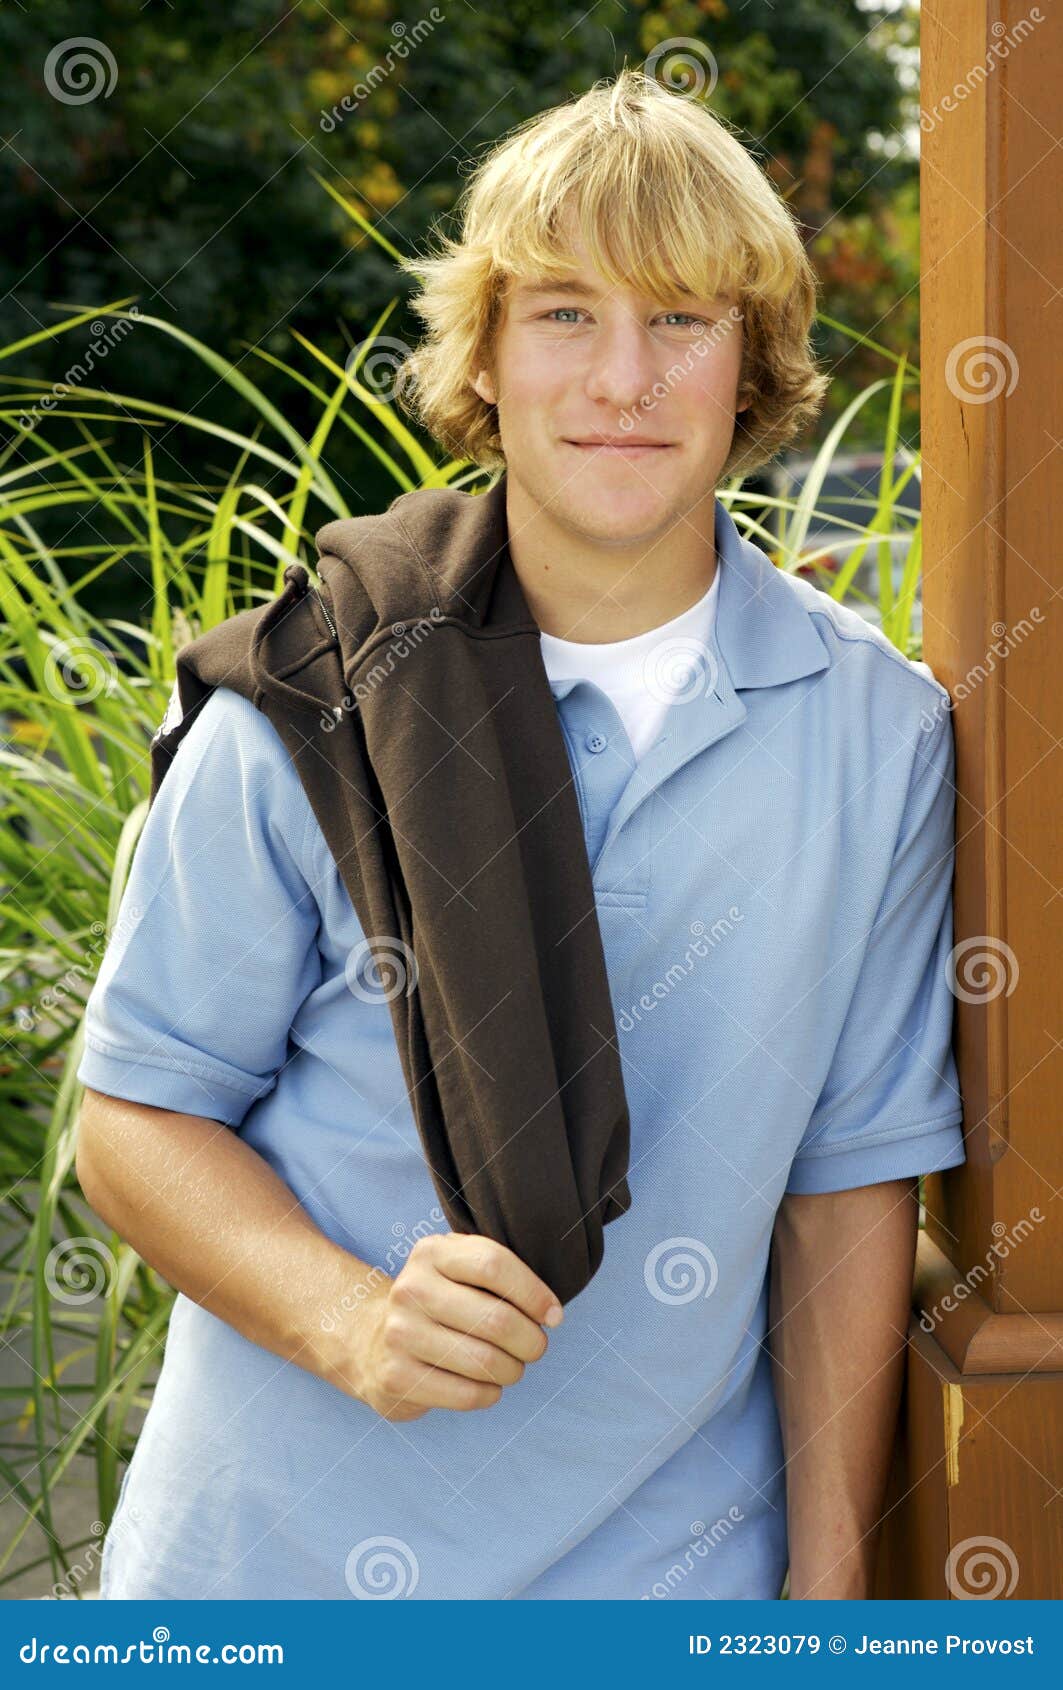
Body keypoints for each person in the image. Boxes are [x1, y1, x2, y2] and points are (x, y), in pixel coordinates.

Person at [75, 68, 964, 1601]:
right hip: (264, 1577)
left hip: (670, 1587)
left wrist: (824, 1604)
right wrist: (352, 1317)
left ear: (751, 363)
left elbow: (847, 1177)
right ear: (484, 354)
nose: (622, 376)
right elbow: (138, 1119)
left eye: (681, 318)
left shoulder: (875, 735)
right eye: (563, 314)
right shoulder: (310, 696)